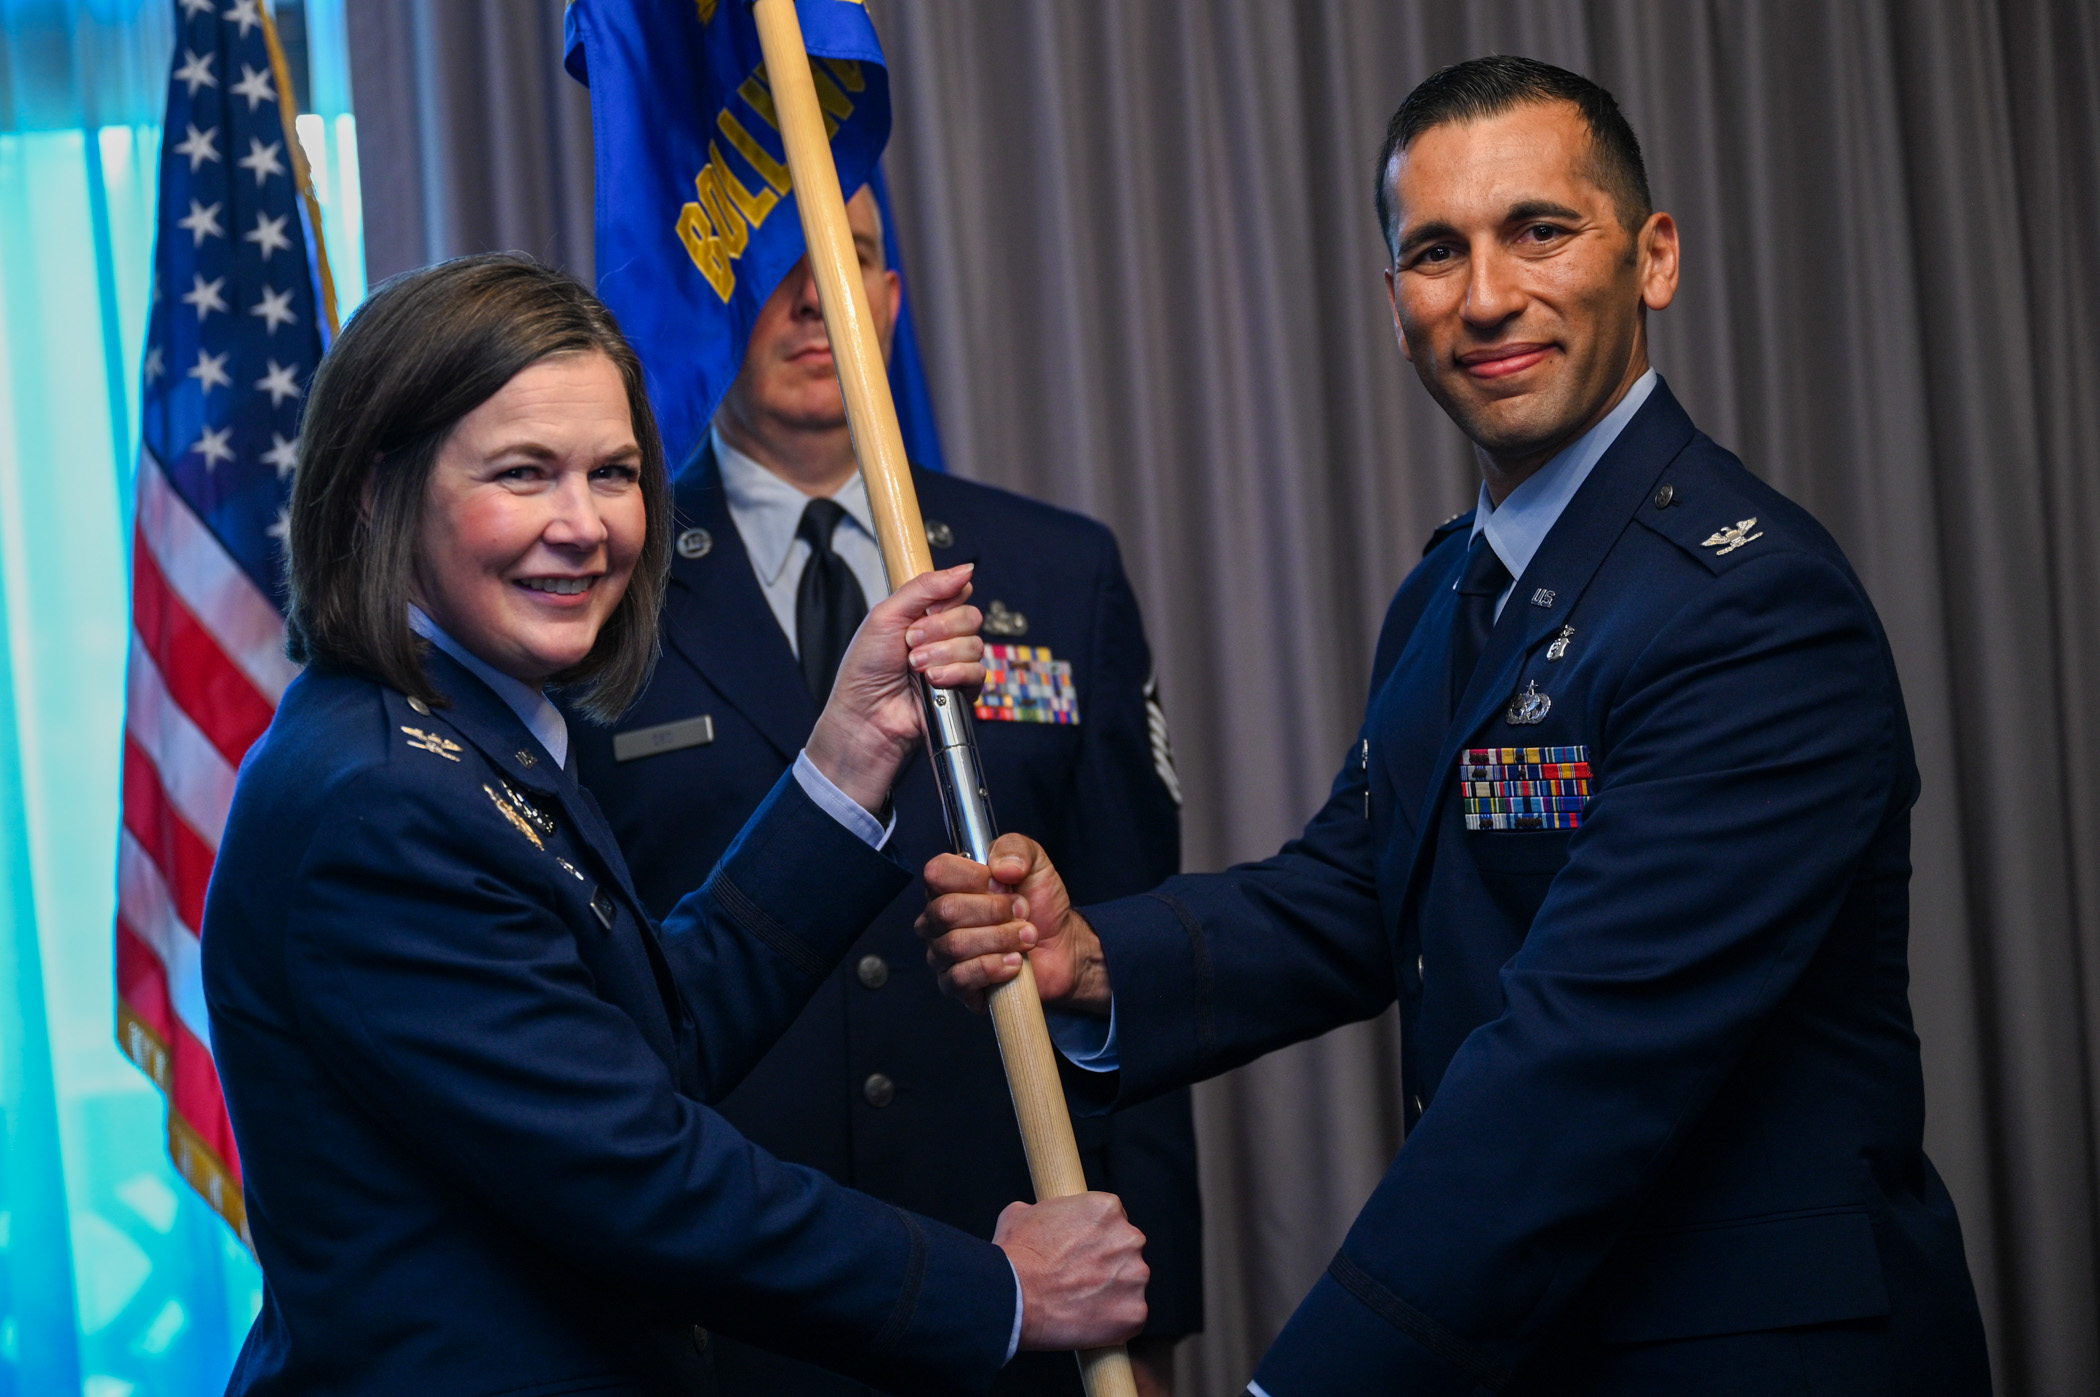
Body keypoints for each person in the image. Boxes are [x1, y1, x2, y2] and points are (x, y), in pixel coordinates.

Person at [920, 56, 1990, 1397]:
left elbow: (1575, 1071)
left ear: (1653, 258)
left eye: (1540, 230)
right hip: (1535, 1344)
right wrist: (1090, 960)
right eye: (1437, 252)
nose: (1485, 297)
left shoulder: (1754, 610)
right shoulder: (1451, 587)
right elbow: (1353, 893)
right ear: (1393, 302)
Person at [200, 253, 1151, 1397]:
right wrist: (997, 1290)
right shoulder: (382, 798)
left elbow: (657, 1031)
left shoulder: (464, 734)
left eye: (613, 472)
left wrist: (846, 755)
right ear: (372, 487)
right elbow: (640, 1174)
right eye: (522, 472)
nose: (584, 525)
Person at [568, 185, 1202, 1397]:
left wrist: (1156, 1304)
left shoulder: (1053, 569)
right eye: (773, 258)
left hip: (1018, 1267)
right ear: (712, 294)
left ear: (890, 296)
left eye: (851, 255)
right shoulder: (604, 579)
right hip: (730, 1308)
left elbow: (1135, 945)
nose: (816, 296)